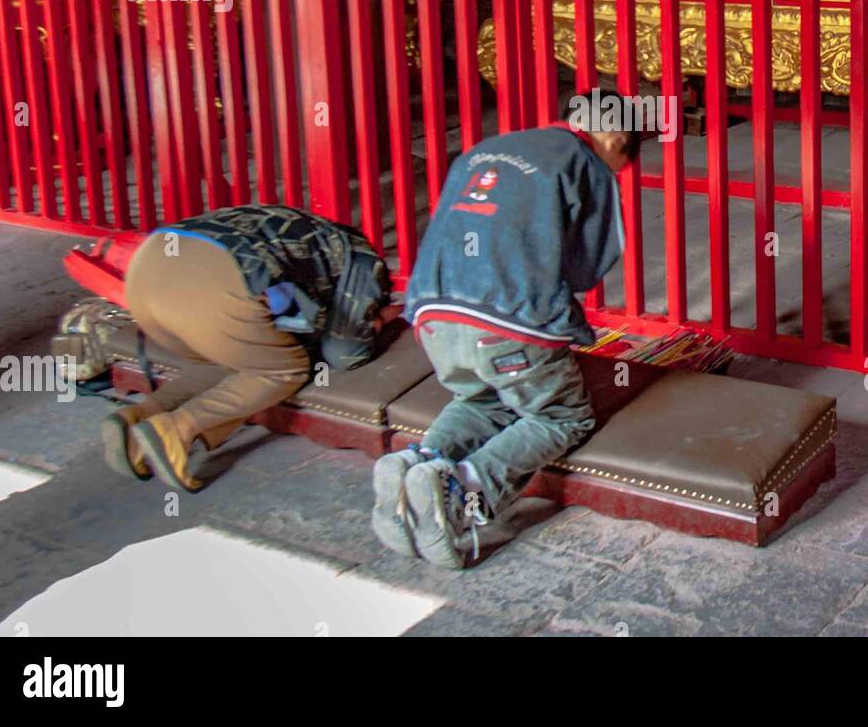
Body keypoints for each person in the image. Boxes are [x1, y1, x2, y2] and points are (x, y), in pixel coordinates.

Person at [376, 89, 638, 568]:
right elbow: (589, 265)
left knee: (481, 398)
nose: (618, 167)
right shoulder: (586, 164)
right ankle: (461, 488)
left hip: (431, 313)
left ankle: (416, 461)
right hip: (506, 319)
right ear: (614, 136)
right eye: (622, 157)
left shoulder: (486, 150)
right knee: (560, 417)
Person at [103, 205, 400, 492]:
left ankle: (139, 418)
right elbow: (346, 351)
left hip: (147, 269)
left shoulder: (302, 231)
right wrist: (382, 319)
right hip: (215, 284)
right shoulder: (360, 259)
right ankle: (178, 428)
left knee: (225, 359)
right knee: (284, 370)